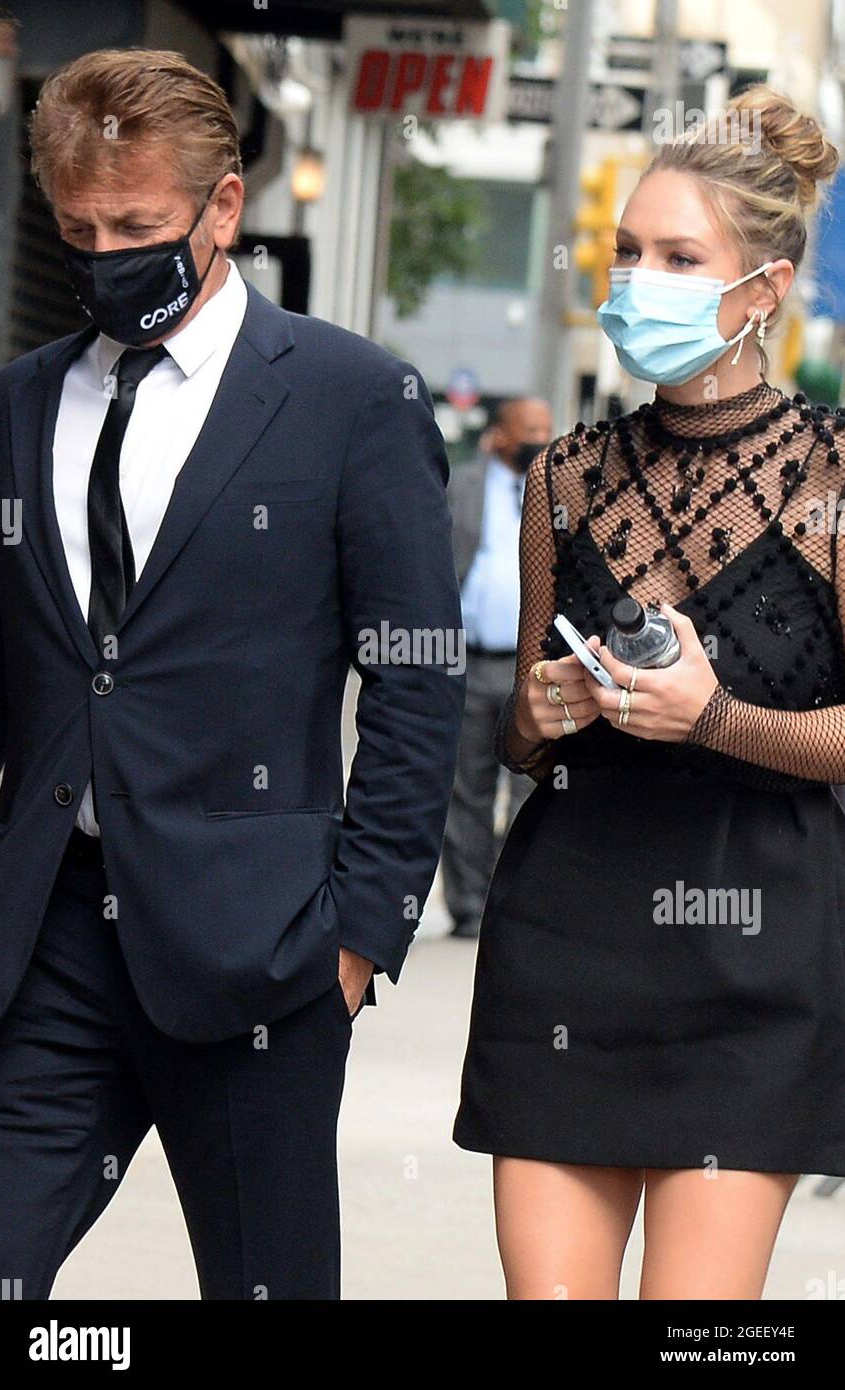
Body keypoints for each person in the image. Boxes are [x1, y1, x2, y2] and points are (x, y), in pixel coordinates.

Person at [0, 47, 464, 1300]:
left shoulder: (351, 399)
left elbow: (412, 678)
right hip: (45, 940)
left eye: (136, 227)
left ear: (223, 207)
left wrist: (361, 932)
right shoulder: (14, 407)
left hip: (260, 946)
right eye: (77, 231)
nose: (103, 258)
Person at [454, 87, 845, 1299]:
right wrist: (548, 708)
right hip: (566, 938)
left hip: (757, 950)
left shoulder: (833, 474)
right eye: (628, 252)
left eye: (679, 257)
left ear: (762, 290)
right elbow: (518, 730)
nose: (638, 280)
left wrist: (713, 718)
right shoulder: (563, 476)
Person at [443, 397, 552, 938]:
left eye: (546, 429)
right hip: (467, 661)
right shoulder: (461, 485)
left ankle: (509, 900)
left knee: (532, 787)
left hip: (533, 667)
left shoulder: (560, 488)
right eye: (530, 428)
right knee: (467, 787)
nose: (540, 437)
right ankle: (467, 906)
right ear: (501, 435)